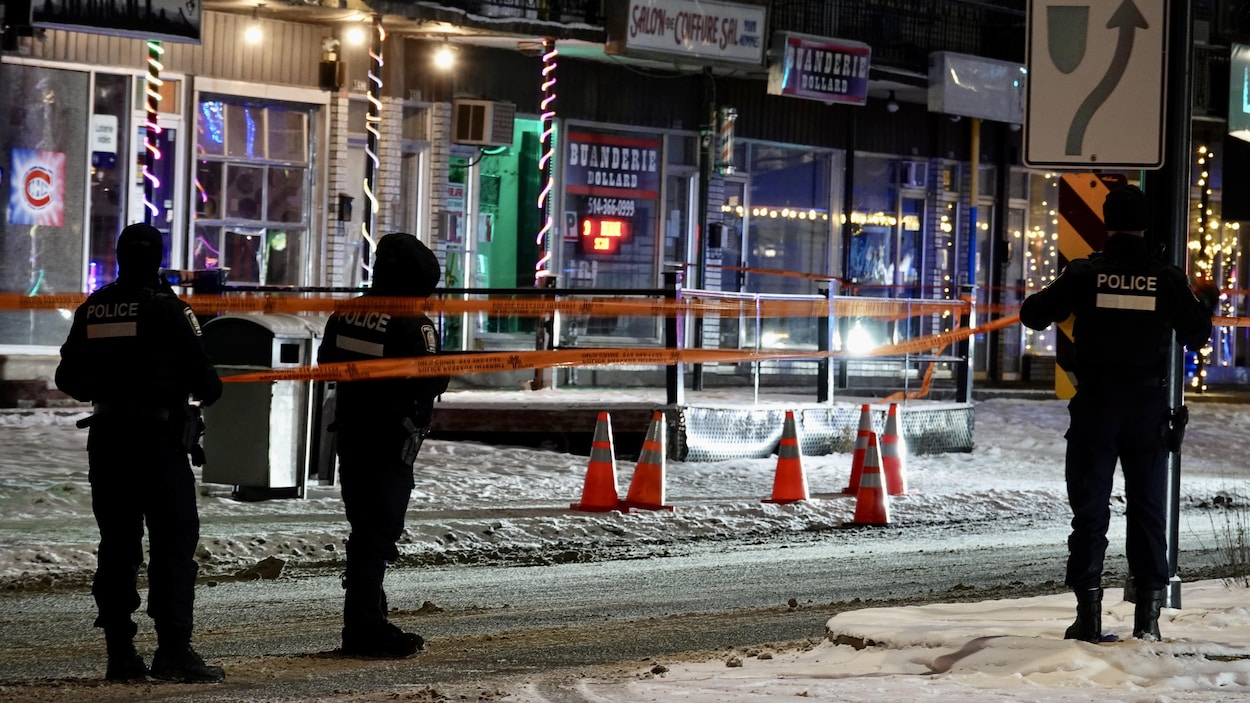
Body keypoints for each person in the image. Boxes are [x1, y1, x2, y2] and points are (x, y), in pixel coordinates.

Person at [1020, 184, 1215, 643]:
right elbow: (1199, 333)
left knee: (1090, 513)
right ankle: (1146, 622)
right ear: (1145, 224)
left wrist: (1071, 284)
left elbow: (1032, 314)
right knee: (1147, 511)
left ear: (1107, 223)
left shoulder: (1086, 274)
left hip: (1096, 407)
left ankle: (1088, 617)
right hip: (1147, 410)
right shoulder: (1165, 278)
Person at [54, 223, 225, 683]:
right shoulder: (169, 309)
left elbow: (67, 378)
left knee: (117, 546)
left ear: (119, 256)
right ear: (158, 260)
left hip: (108, 440)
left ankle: (120, 654)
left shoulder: (94, 308)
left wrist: (110, 387)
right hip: (158, 443)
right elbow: (208, 385)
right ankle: (173, 650)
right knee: (172, 544)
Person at [318, 232, 449, 658]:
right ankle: (364, 628)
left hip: (353, 433)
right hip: (390, 439)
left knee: (364, 527)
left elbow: (326, 366)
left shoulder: (347, 313)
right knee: (379, 531)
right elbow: (432, 378)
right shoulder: (414, 322)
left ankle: (368, 615)